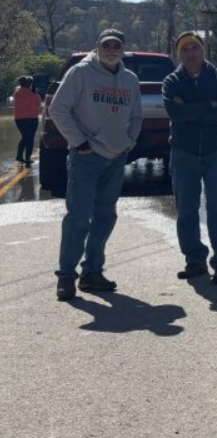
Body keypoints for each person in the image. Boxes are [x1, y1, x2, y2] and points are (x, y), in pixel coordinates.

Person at [51, 28, 143, 301]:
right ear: (98, 47)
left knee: (105, 217)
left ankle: (92, 272)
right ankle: (66, 276)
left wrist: (129, 141)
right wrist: (79, 143)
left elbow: (137, 116)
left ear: (123, 49)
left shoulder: (130, 80)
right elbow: (57, 109)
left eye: (117, 45)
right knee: (78, 217)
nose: (112, 50)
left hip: (116, 158)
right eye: (107, 45)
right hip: (85, 158)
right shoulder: (80, 73)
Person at [163, 31, 217, 284]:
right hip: (184, 152)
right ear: (179, 54)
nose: (191, 53)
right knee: (186, 209)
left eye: (195, 47)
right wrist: (210, 106)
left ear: (203, 50)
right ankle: (194, 260)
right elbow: (175, 113)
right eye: (185, 49)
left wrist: (190, 109)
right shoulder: (171, 81)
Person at [12, 76, 40, 167]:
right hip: (31, 118)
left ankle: (19, 156)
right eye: (30, 83)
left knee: (25, 137)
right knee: (29, 138)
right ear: (28, 84)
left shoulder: (17, 92)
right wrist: (35, 93)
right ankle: (27, 158)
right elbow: (38, 104)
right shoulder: (32, 93)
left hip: (19, 119)